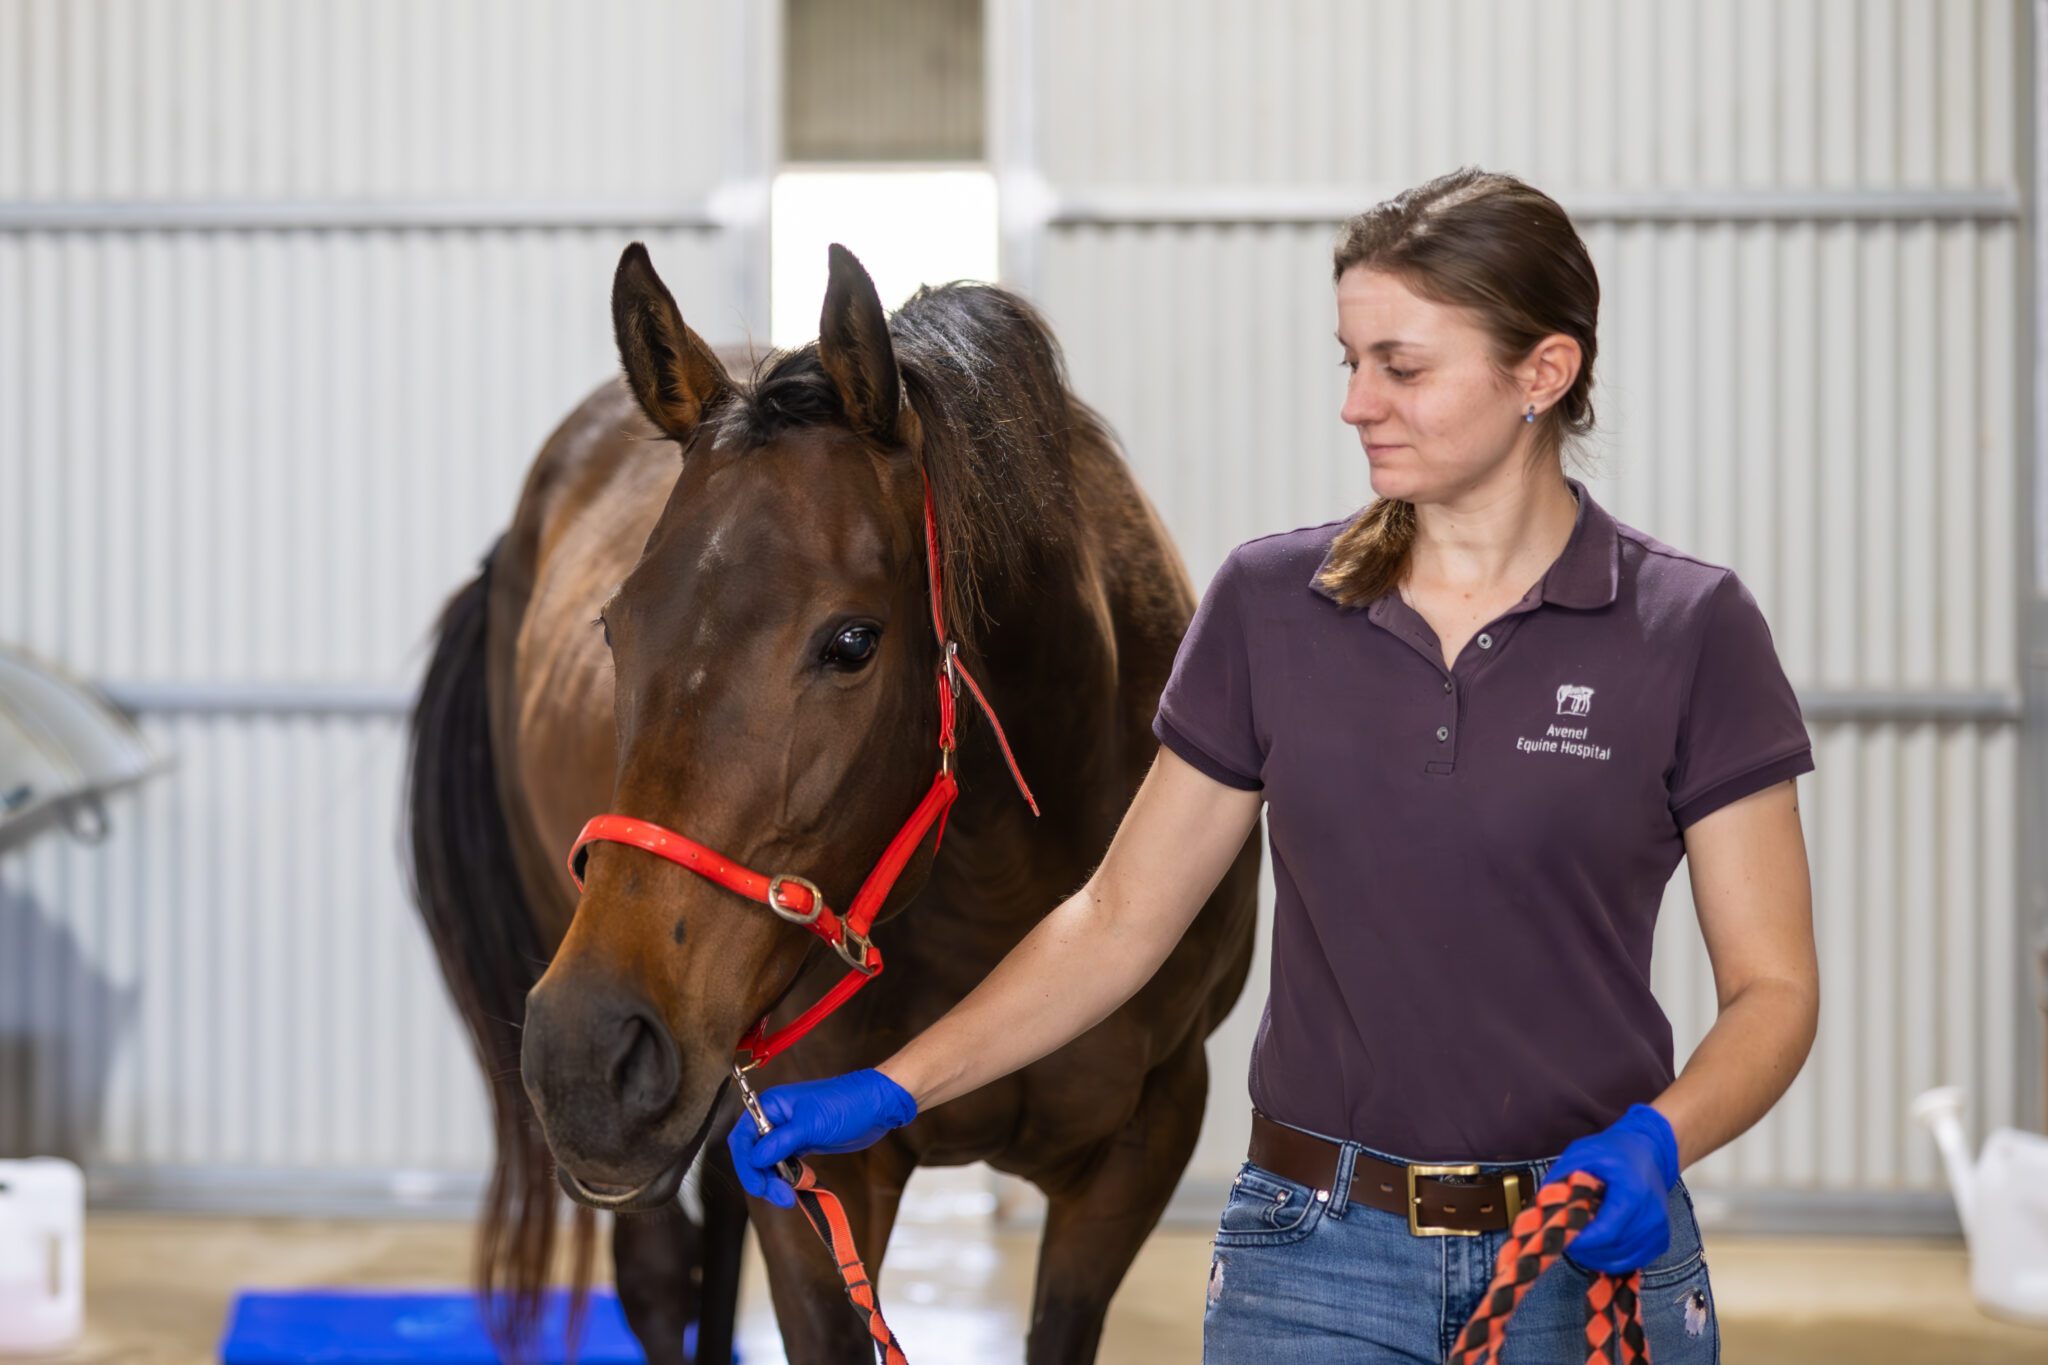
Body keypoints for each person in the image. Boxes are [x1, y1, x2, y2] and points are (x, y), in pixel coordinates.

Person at [729, 167, 1818, 1362]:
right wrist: (896, 1087)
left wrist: (1660, 1140)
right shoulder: (1268, 608)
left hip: (1584, 1250)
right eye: (1346, 361)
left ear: (1541, 375)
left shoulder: (1687, 629)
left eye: (1400, 367)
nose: (1356, 404)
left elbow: (1771, 990)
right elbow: (1115, 921)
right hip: (1310, 1261)